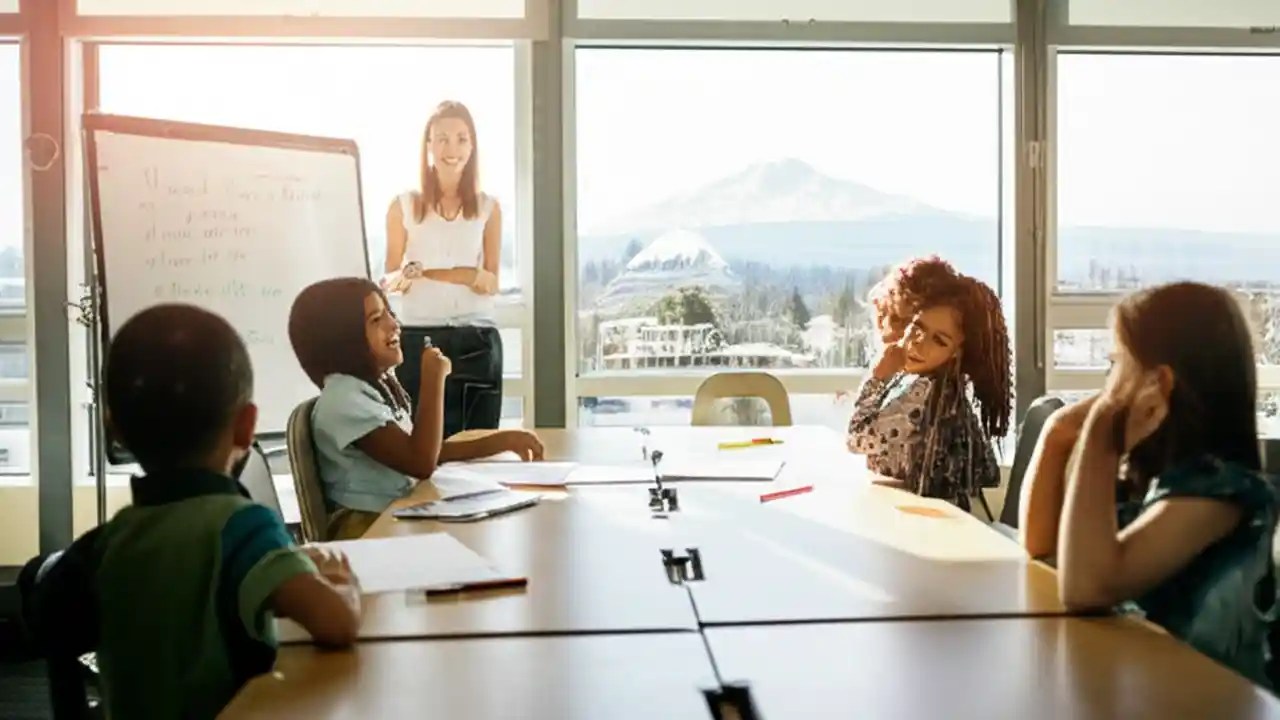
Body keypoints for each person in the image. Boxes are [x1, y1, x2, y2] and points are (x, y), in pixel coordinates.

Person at [19, 304, 361, 719]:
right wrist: (342, 585)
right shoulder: (245, 529)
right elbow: (336, 624)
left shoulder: (106, 543)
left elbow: (48, 615)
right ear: (246, 425)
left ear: (115, 430)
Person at [1020, 282, 1278, 688]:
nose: (1109, 381)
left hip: (1202, 705)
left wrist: (1104, 432)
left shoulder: (1219, 493)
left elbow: (1087, 588)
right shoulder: (1160, 475)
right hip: (1147, 685)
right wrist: (1057, 434)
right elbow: (1042, 546)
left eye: (1117, 364)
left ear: (1160, 383)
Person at [289, 277, 543, 540]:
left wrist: (504, 440)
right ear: (341, 338)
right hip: (365, 528)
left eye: (390, 313)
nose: (394, 324)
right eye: (376, 319)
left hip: (392, 514)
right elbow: (421, 462)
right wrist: (433, 380)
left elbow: (431, 452)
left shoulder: (371, 386)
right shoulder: (343, 399)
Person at [382, 100, 504, 438]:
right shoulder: (404, 205)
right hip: (418, 339)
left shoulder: (488, 208)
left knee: (478, 446)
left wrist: (450, 274)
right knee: (422, 450)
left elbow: (492, 282)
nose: (453, 149)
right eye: (443, 139)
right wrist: (407, 275)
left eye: (462, 139)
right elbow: (388, 279)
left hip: (476, 340)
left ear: (473, 145)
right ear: (429, 145)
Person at [847, 260, 1012, 509]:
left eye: (939, 341)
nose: (919, 344)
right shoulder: (949, 391)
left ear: (956, 353)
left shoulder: (922, 394)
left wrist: (877, 377)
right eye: (917, 327)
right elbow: (987, 469)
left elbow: (856, 439)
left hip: (929, 528)